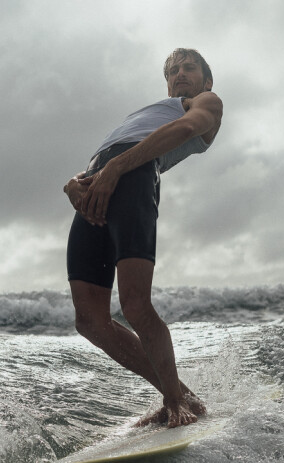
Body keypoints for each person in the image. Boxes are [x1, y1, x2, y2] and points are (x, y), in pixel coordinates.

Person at [63, 48, 223, 428]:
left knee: (135, 305)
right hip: (97, 183)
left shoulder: (206, 102)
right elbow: (108, 152)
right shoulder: (151, 111)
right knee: (89, 320)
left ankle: (175, 403)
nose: (179, 74)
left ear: (206, 80)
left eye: (189, 68)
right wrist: (74, 182)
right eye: (172, 71)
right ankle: (181, 395)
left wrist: (117, 167)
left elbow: (187, 129)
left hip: (133, 177)